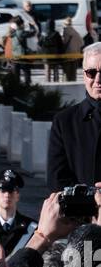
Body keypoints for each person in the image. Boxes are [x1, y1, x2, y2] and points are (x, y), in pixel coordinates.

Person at [47, 42, 101, 189]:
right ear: (84, 75)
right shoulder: (65, 122)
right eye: (91, 72)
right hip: (80, 210)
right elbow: (57, 180)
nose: (98, 80)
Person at [61, 16, 84, 82]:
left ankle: (67, 84)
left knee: (66, 73)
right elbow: (82, 43)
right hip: (75, 55)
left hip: (67, 54)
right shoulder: (75, 32)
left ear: (64, 24)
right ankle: (73, 83)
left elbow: (63, 42)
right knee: (73, 73)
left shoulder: (64, 31)